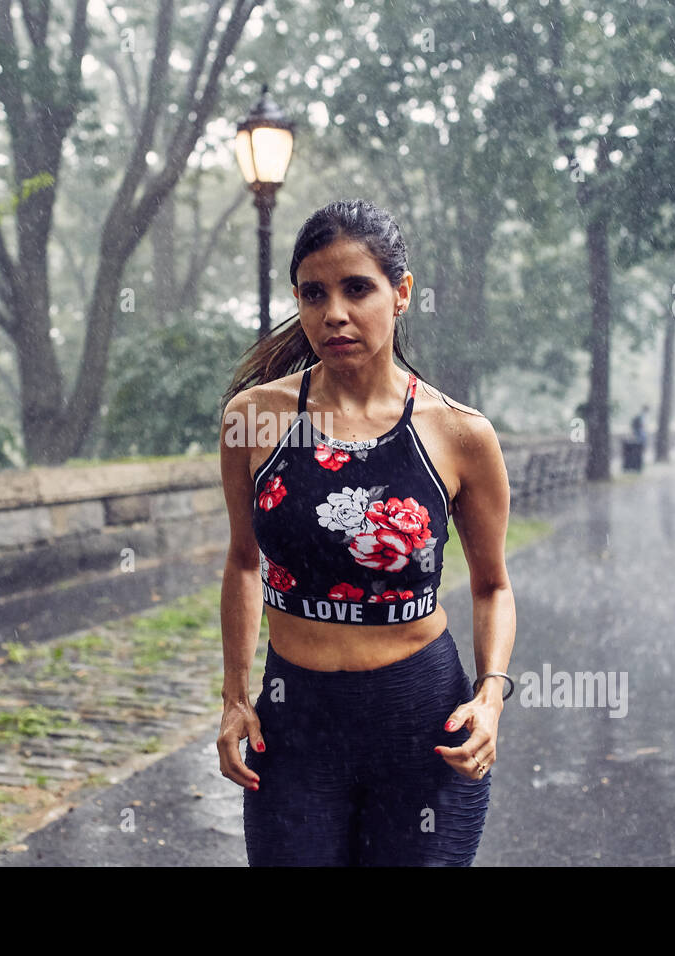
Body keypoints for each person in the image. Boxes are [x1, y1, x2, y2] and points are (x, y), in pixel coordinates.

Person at [215, 198, 517, 866]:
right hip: (295, 728)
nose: (334, 314)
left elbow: (494, 585)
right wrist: (236, 698)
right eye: (314, 293)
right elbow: (242, 563)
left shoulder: (460, 433)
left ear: (401, 293)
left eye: (358, 289)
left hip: (423, 727)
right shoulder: (254, 420)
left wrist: (491, 698)